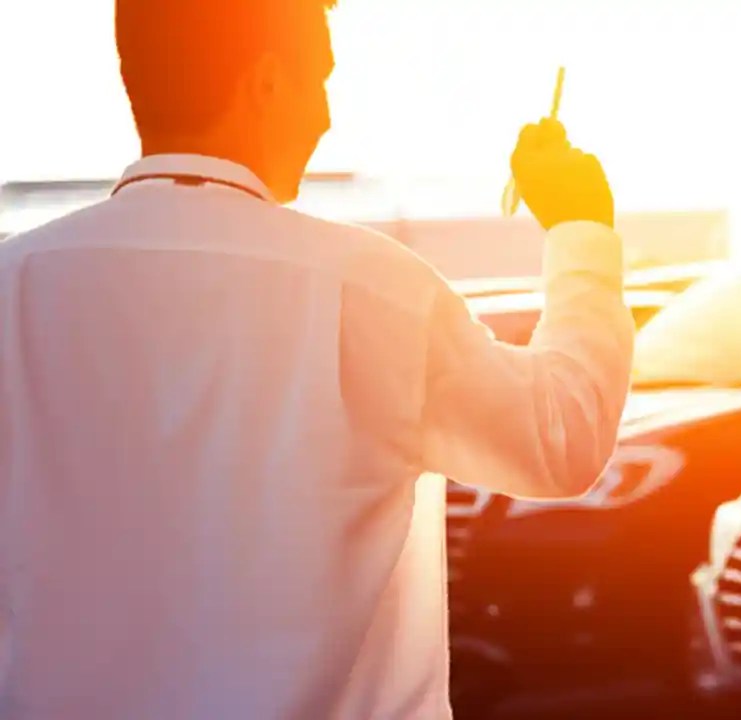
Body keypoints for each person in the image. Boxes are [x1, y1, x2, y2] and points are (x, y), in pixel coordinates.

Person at [0, 1, 632, 717]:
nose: (326, 116)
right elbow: (559, 437)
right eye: (321, 80)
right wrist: (580, 226)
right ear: (267, 85)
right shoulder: (372, 289)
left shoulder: (12, 288)